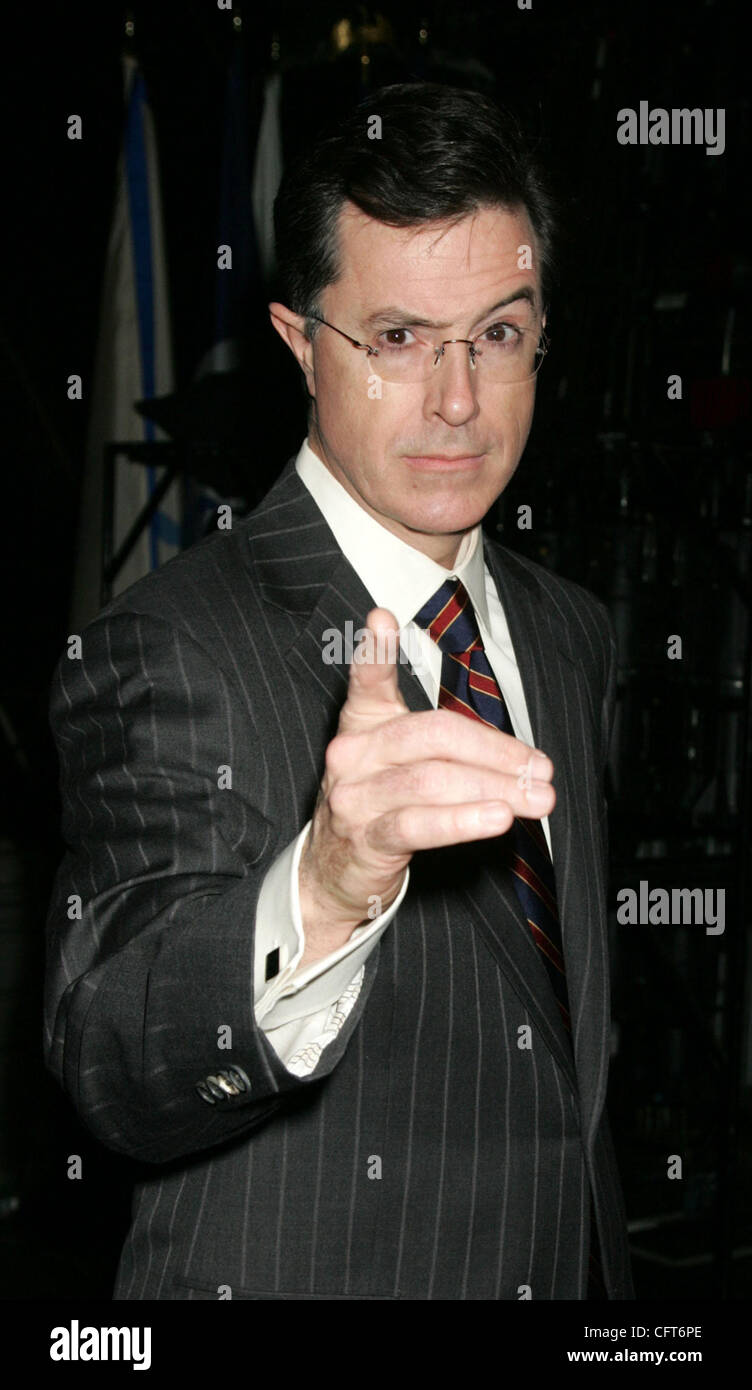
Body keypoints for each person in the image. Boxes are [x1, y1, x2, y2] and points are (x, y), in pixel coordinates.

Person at [44, 82, 633, 1301]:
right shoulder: (163, 642)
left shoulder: (569, 632)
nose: (457, 401)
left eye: (498, 335)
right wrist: (322, 886)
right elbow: (110, 1062)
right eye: (400, 339)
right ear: (300, 344)